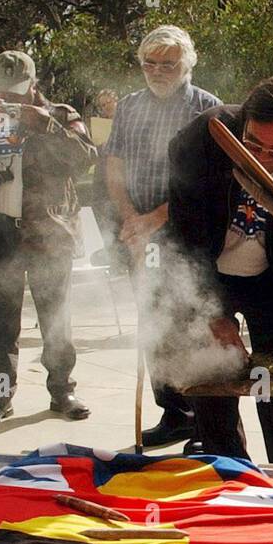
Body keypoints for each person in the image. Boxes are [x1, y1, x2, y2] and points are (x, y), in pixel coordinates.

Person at [165, 74, 273, 469]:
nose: (263, 159)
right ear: (243, 122)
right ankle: (227, 471)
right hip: (210, 274)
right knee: (213, 381)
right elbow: (183, 239)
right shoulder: (202, 141)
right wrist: (212, 314)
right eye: (253, 145)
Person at [0, 49, 95, 426]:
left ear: (33, 85)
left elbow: (84, 158)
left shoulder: (61, 115)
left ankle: (63, 391)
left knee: (55, 317)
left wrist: (46, 125)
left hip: (48, 233)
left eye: (17, 92)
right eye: (4, 92)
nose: (10, 99)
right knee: (0, 323)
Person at [102, 25, 221, 449]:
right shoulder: (130, 106)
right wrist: (130, 218)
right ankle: (173, 411)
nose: (157, 71)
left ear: (186, 64)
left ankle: (204, 419)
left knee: (192, 319)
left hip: (189, 231)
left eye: (167, 64)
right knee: (152, 317)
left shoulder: (208, 109)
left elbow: (212, 180)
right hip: (141, 232)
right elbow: (114, 162)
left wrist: (155, 217)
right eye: (149, 63)